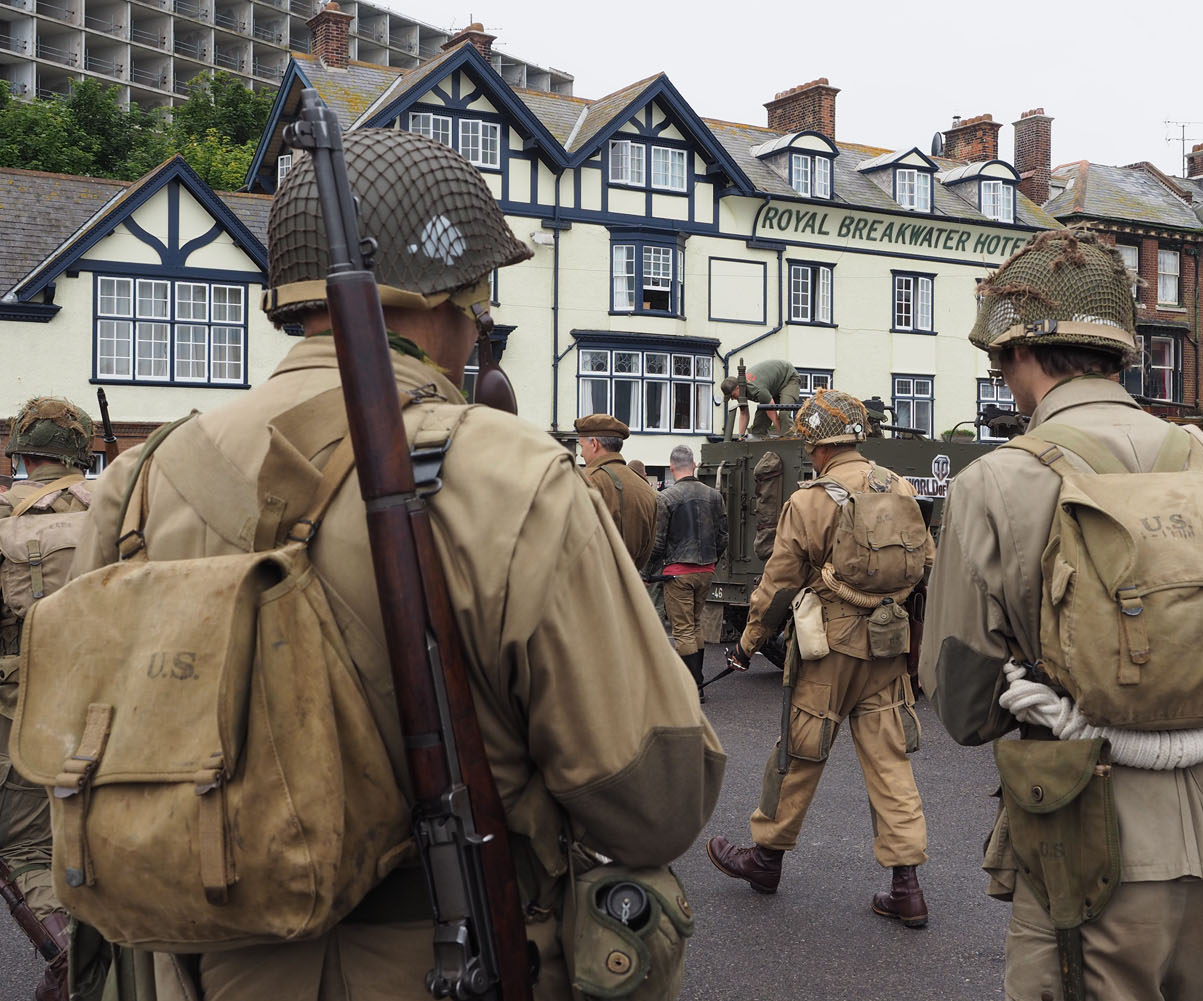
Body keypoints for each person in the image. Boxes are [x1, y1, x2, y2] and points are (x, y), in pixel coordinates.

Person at [67, 128, 724, 1001]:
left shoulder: (138, 482)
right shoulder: (514, 473)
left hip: (203, 966)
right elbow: (654, 797)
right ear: (458, 298)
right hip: (451, 954)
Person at [920, 229, 1203, 1000]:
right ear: (1123, 348)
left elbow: (966, 707)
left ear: (1016, 355)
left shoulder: (997, 483)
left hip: (1084, 855)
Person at [707, 389, 933, 928]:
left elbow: (778, 583)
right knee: (890, 762)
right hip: (887, 647)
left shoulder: (811, 499)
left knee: (800, 752)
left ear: (816, 446)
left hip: (828, 648)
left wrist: (746, 645)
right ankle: (907, 887)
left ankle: (765, 860)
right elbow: (925, 561)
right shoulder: (899, 486)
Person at [0, 396, 95, 1001]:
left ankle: (70, 962)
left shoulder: (3, 519)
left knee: (27, 847)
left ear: (21, 454)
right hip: (114, 710)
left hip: (20, 712)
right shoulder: (121, 507)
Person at [651, 445, 728, 699]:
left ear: (672, 467)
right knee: (695, 625)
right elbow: (723, 536)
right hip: (706, 569)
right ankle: (698, 680)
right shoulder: (715, 496)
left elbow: (658, 542)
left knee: (682, 630)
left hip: (677, 572)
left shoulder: (666, 498)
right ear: (694, 465)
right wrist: (712, 559)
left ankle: (691, 687)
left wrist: (651, 567)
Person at [575, 413, 659, 570]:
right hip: (629, 580)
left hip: (590, 582)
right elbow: (647, 550)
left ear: (594, 443)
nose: (581, 453)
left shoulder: (588, 480)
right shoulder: (645, 488)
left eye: (581, 446)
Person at [720, 360, 801, 438]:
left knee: (784, 414)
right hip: (772, 387)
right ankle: (759, 447)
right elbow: (744, 414)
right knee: (759, 424)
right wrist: (740, 436)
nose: (733, 399)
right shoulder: (740, 390)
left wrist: (782, 435)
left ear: (738, 388)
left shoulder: (756, 389)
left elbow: (772, 413)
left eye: (733, 395)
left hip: (788, 378)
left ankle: (791, 443)